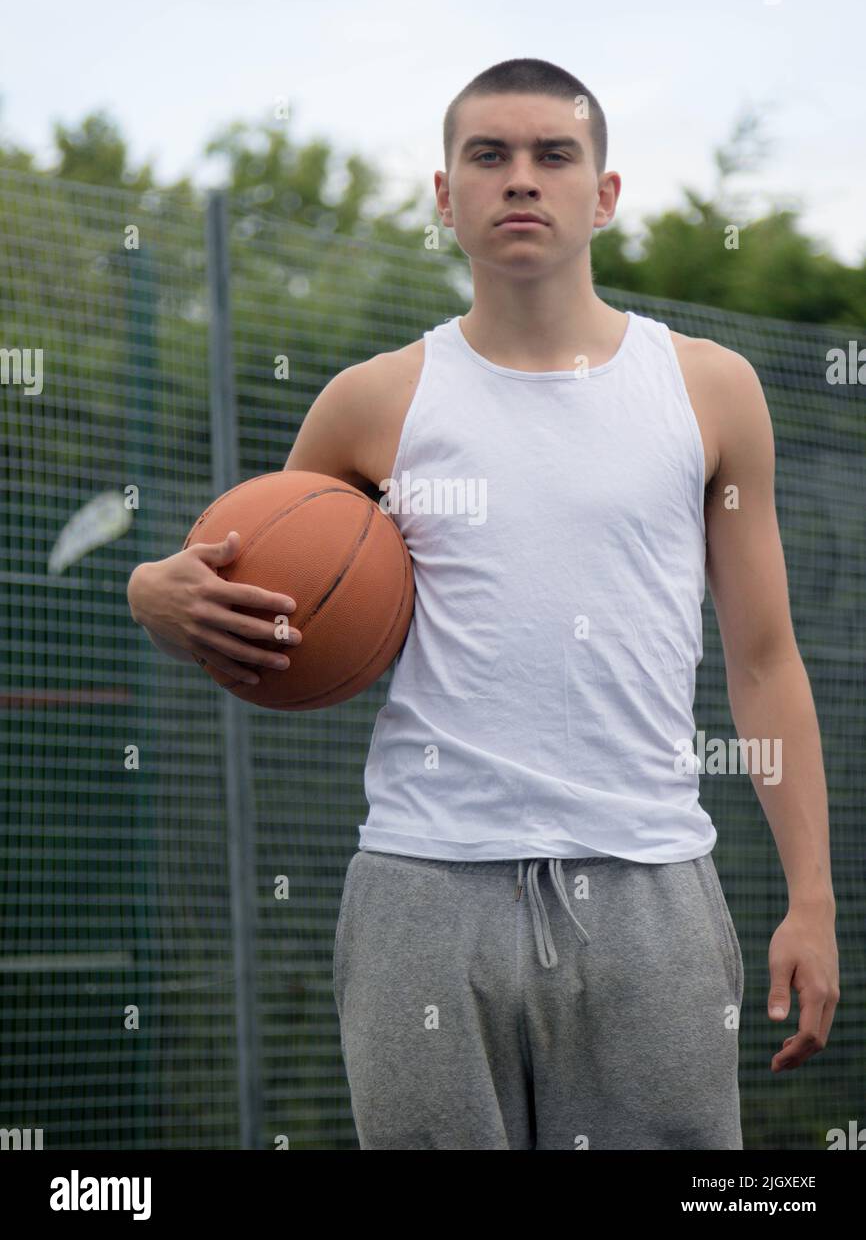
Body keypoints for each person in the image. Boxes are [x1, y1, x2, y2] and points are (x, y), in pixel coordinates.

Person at [127, 57, 839, 1151]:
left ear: (603, 194)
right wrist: (150, 589)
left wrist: (810, 896)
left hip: (649, 882)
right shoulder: (370, 401)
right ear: (441, 195)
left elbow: (762, 658)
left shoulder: (709, 388)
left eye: (552, 155)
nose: (520, 179)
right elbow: (266, 594)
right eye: (487, 156)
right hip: (422, 886)